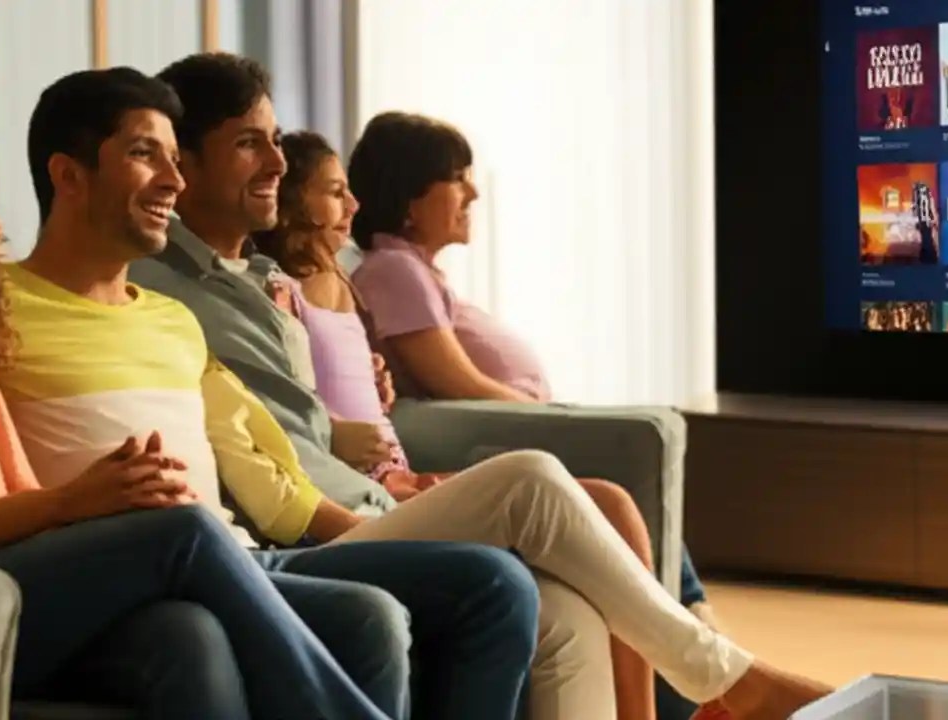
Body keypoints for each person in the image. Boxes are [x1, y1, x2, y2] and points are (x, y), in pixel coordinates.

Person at [129, 51, 836, 720]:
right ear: (183, 164)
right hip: (304, 539)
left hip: (366, 501)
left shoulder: (267, 282)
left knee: (565, 613)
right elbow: (239, 468)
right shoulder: (155, 288)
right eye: (250, 143)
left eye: (276, 140)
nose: (279, 162)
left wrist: (379, 463)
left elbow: (300, 434)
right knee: (530, 478)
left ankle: (716, 678)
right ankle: (729, 679)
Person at [4, 66, 542, 720]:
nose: (174, 181)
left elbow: (255, 445)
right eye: (146, 155)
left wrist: (358, 512)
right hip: (117, 567)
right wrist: (64, 503)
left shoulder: (172, 316)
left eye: (176, 159)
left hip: (236, 552)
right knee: (187, 579)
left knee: (492, 583)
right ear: (68, 175)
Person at [0, 139, 404, 720]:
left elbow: (22, 494)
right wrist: (70, 502)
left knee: (192, 632)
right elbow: (40, 510)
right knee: (183, 529)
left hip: (25, 584)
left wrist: (99, 496)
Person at [253, 130, 661, 720]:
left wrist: (375, 385)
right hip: (366, 495)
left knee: (601, 535)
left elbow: (334, 389)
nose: (353, 206)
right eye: (336, 192)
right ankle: (711, 664)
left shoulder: (342, 286)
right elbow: (292, 418)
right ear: (294, 203)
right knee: (579, 496)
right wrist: (346, 435)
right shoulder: (287, 292)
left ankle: (677, 673)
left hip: (392, 477)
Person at [340, 111, 720, 643]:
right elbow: (455, 381)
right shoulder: (394, 271)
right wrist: (552, 418)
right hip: (497, 435)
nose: (472, 192)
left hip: (515, 426)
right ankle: (694, 626)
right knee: (623, 450)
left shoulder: (414, 271)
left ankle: (694, 621)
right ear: (409, 198)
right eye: (457, 177)